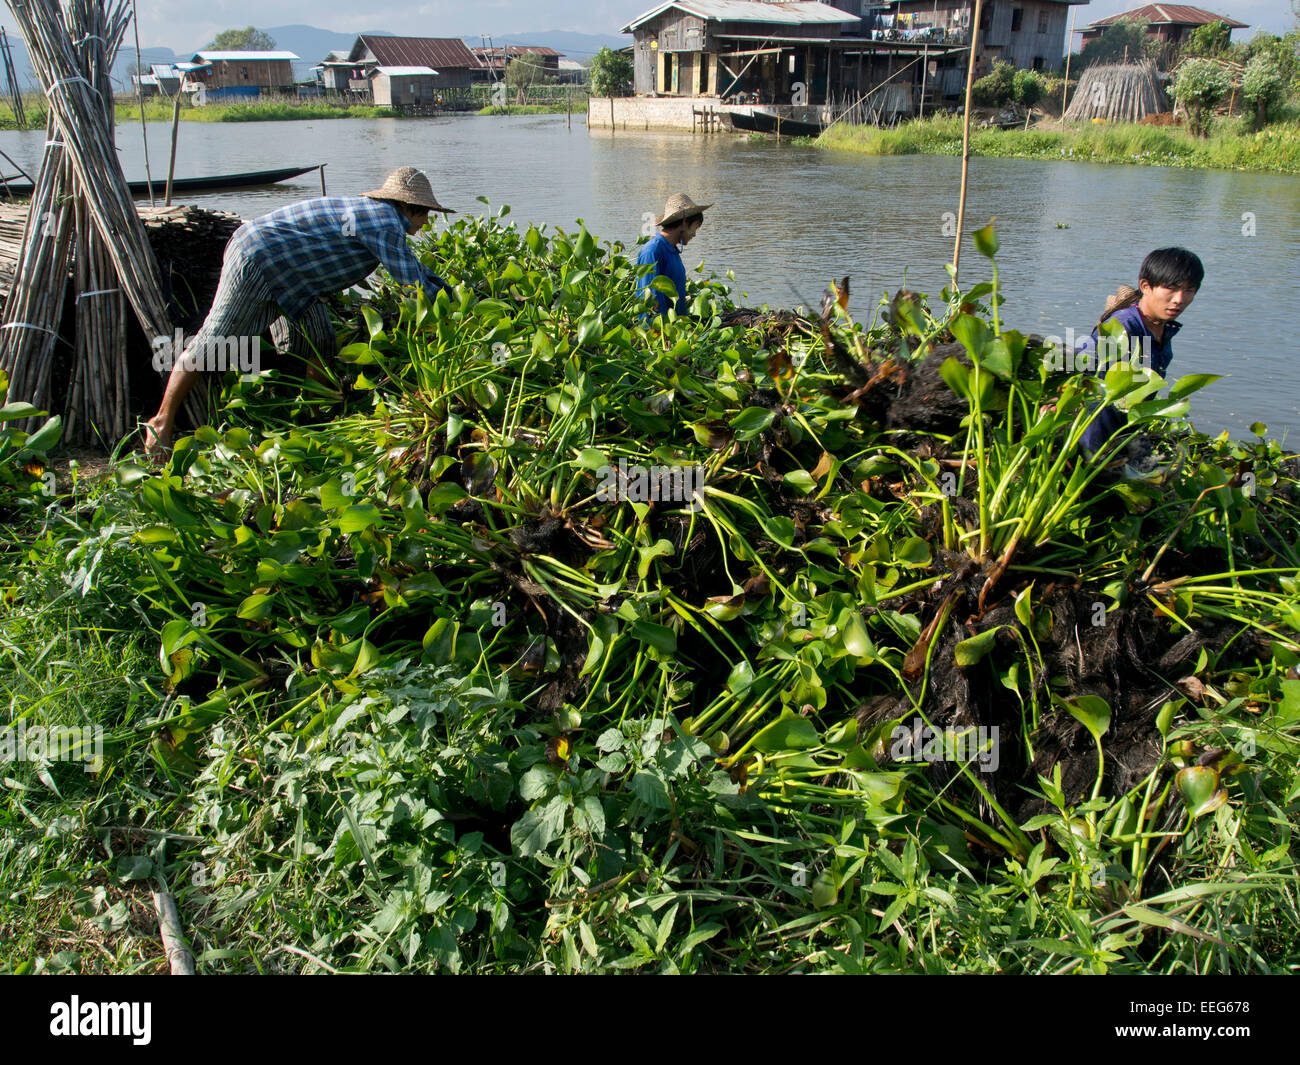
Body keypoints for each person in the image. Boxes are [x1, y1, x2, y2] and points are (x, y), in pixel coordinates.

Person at [142, 166, 455, 455]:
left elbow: (416, 270)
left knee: (320, 342)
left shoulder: (377, 215)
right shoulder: (385, 221)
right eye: (425, 213)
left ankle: (313, 422)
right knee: (214, 340)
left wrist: (452, 293)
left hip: (297, 282)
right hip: (260, 257)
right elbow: (412, 281)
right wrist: (455, 311)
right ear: (409, 207)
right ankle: (161, 422)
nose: (426, 221)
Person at [1076, 247, 1203, 459]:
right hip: (1096, 438)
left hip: (1126, 431)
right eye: (1171, 288)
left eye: (1189, 290)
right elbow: (1090, 386)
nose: (1179, 299)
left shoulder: (1163, 327)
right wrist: (1102, 457)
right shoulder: (1124, 326)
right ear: (1145, 286)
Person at [636, 193, 710, 318]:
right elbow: (650, 304)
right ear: (685, 223)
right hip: (660, 333)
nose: (694, 234)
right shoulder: (652, 251)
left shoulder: (673, 250)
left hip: (677, 329)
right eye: (695, 228)